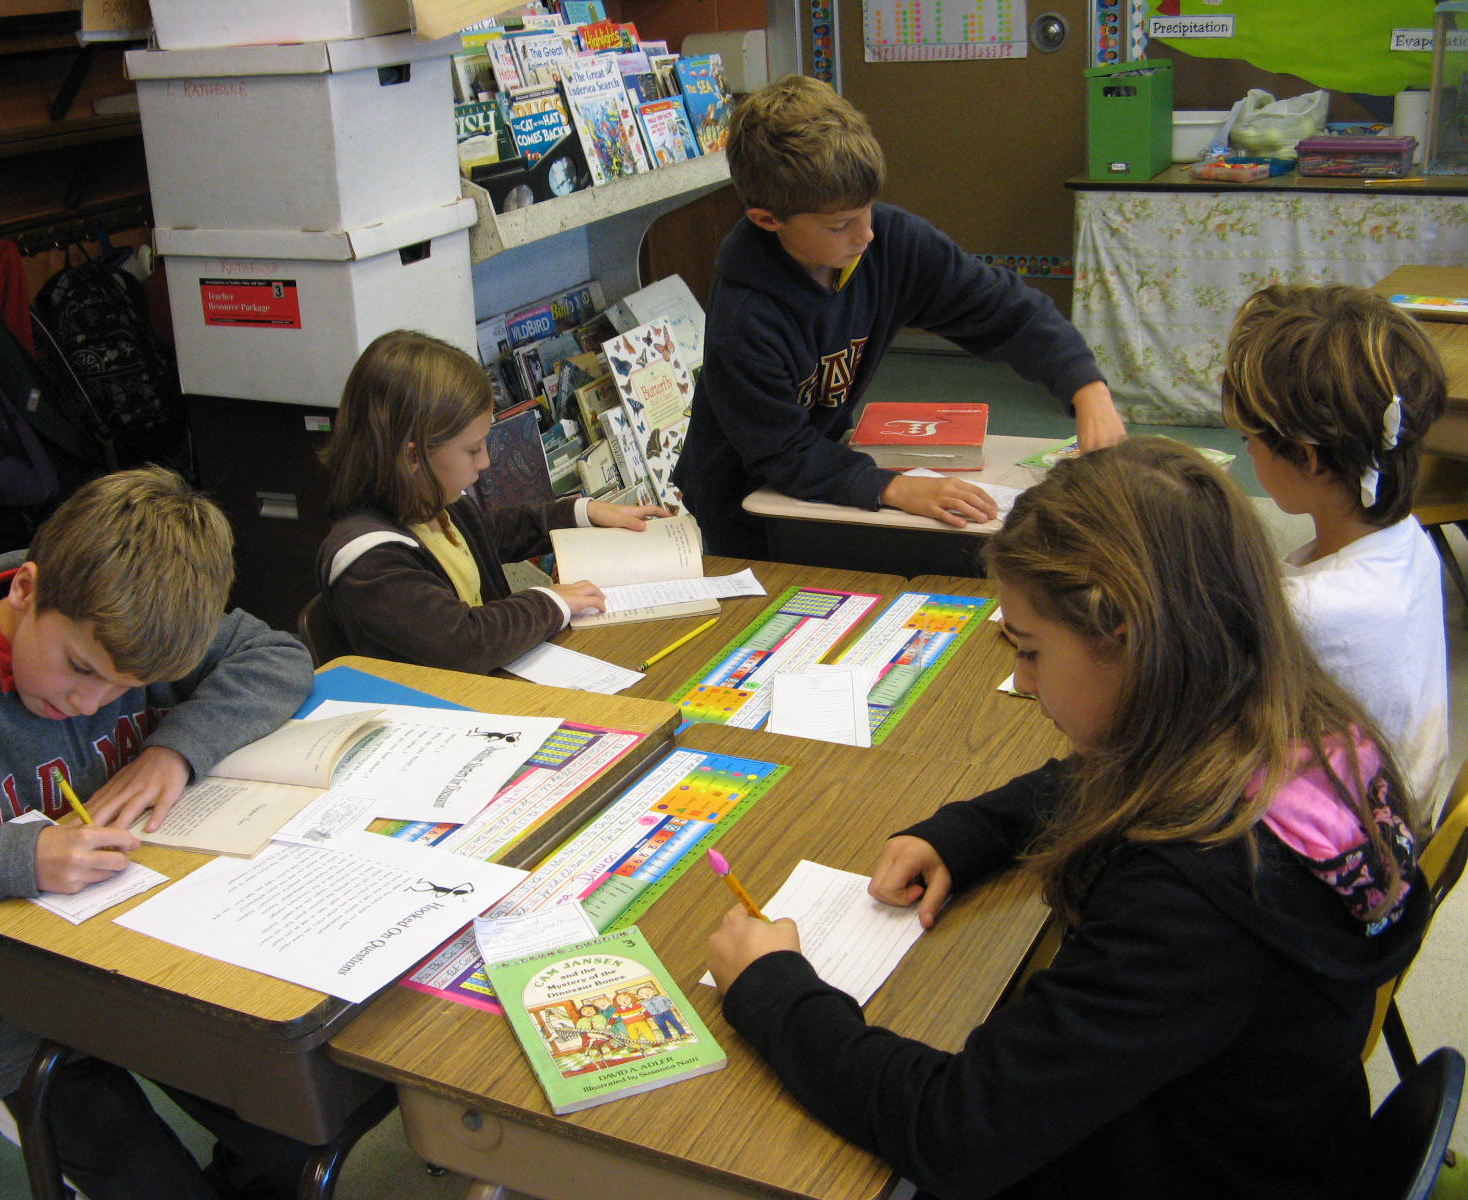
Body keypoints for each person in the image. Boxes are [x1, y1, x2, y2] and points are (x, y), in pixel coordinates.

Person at [708, 439, 1428, 1199]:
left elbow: (958, 1130)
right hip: (1263, 1134)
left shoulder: (1194, 899)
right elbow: (1102, 777)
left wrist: (771, 988)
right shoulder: (1292, 725)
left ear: (1132, 640)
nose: (1021, 680)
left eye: (1031, 651)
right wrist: (966, 832)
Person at [0, 465, 317, 1200]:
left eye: (122, 687)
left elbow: (276, 656)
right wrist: (20, 856)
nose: (89, 704)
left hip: (155, 961)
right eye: (80, 669)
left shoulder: (133, 628)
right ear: (26, 589)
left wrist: (177, 748)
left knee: (292, 1143)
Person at [672, 74, 1125, 558]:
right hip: (740, 515)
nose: (865, 234)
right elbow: (780, 452)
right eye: (840, 224)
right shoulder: (746, 314)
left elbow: (1002, 309)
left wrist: (1086, 387)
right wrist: (893, 488)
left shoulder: (887, 242)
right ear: (768, 220)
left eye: (867, 209)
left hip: (823, 482)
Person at [317, 330, 669, 674]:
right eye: (472, 450)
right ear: (413, 457)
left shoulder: (435, 506)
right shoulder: (369, 562)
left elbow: (497, 531)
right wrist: (551, 601)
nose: (484, 462)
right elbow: (466, 642)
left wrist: (585, 512)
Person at [1223, 283, 1449, 815]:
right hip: (1391, 812)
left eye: (1248, 438)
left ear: (1308, 457)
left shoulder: (1311, 612)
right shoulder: (1405, 536)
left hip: (1347, 854)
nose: (1248, 450)